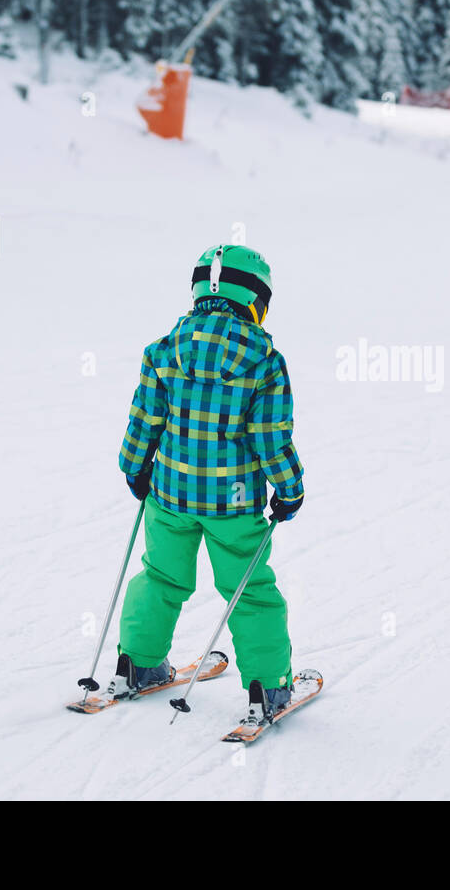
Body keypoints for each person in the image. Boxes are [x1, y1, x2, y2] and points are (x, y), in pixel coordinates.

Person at [110, 244, 305, 722]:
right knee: (248, 591)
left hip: (170, 495)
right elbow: (268, 437)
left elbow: (145, 417)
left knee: (160, 576)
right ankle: (268, 688)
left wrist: (135, 465)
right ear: (256, 301)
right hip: (233, 505)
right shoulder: (263, 360)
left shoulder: (165, 348)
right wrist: (289, 487)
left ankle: (137, 664)